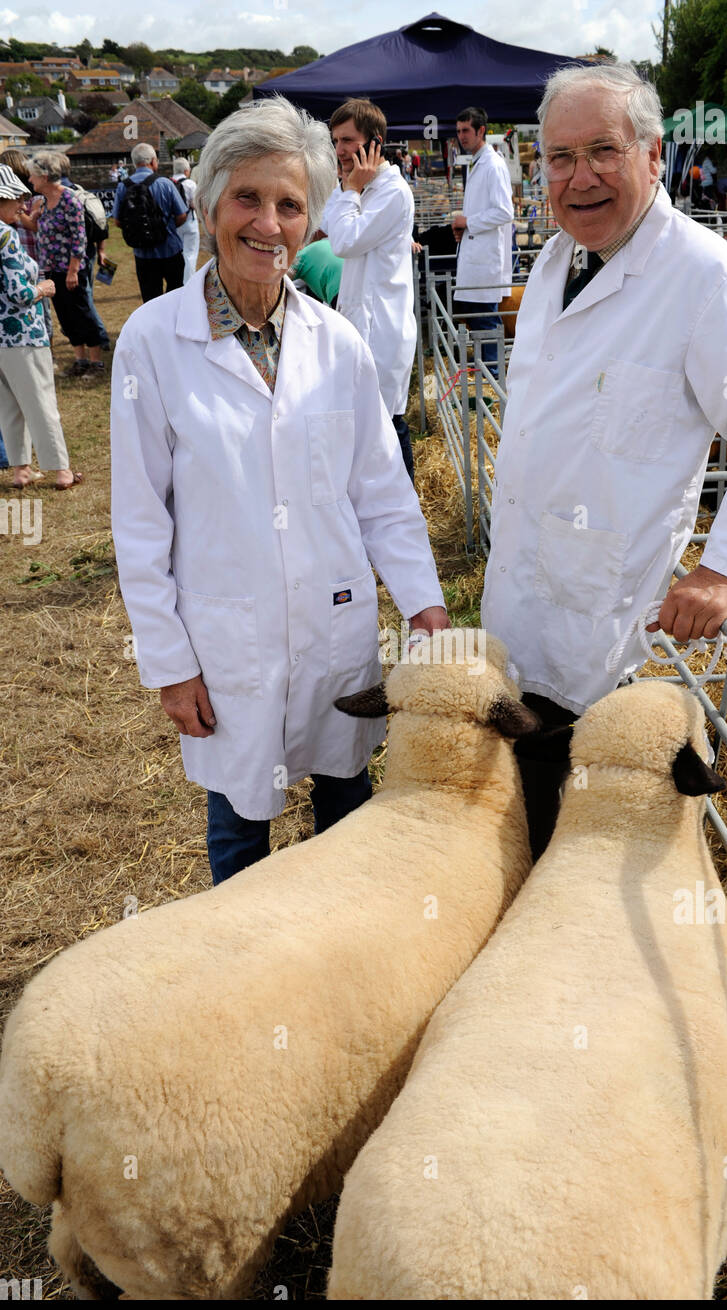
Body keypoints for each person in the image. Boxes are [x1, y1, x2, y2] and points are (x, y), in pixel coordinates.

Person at [480, 61, 727, 859]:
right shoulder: (555, 262)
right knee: (516, 812)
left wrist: (722, 571)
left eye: (603, 149)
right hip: (519, 598)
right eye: (559, 158)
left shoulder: (705, 279)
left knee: (583, 832)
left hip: (604, 622)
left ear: (652, 153)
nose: (579, 176)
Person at [110, 98, 448, 887]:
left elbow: (382, 494)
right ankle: (241, 972)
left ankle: (343, 971)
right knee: (239, 831)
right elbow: (139, 519)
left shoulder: (340, 343)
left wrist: (424, 604)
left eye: (290, 205)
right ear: (209, 204)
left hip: (335, 630)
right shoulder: (154, 343)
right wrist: (168, 661)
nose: (268, 223)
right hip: (229, 639)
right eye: (247, 199)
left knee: (349, 817)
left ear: (312, 220)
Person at [322, 98, 417, 482]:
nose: (340, 150)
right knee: (364, 426)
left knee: (388, 426)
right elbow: (329, 221)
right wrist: (351, 190)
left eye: (347, 140)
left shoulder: (393, 193)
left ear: (373, 144)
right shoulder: (357, 189)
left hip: (382, 329)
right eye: (335, 141)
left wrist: (352, 192)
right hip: (360, 321)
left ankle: (407, 511)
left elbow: (343, 241)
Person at [0, 164, 80, 490]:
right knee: (41, 403)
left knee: (9, 406)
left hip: (1, 339)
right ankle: (61, 471)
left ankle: (21, 471)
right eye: (15, 198)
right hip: (23, 334)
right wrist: (45, 287)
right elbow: (20, 293)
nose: (22, 204)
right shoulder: (6, 236)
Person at [27, 153, 106, 380]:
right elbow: (38, 229)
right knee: (65, 316)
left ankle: (96, 362)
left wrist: (73, 271)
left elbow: (78, 238)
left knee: (82, 312)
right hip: (51, 270)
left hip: (71, 270)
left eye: (33, 174)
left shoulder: (69, 199)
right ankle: (80, 360)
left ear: (44, 175)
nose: (30, 179)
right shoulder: (42, 201)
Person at [451, 105, 514, 380]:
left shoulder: (494, 164)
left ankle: (494, 378)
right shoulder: (479, 162)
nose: (461, 136)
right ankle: (487, 373)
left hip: (486, 259)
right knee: (477, 316)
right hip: (475, 252)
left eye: (466, 130)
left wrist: (469, 223)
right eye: (458, 131)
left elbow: (504, 212)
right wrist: (464, 228)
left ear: (481, 131)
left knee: (486, 318)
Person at [112, 142, 187, 303]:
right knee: (176, 296)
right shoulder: (165, 183)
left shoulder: (122, 187)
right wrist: (166, 226)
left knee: (150, 301)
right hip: (170, 249)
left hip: (143, 254)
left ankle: (155, 328)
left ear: (134, 163)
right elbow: (181, 215)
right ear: (153, 161)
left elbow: (117, 221)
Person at [291, 229, 342, 307]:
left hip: (339, 290)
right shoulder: (328, 244)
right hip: (360, 284)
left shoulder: (303, 254)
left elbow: (278, 279)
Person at [171, 156, 200, 284]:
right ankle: (188, 282)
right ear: (186, 170)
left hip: (175, 223)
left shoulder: (169, 183)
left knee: (178, 254)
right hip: (189, 222)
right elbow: (195, 204)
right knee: (190, 254)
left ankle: (178, 280)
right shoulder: (191, 184)